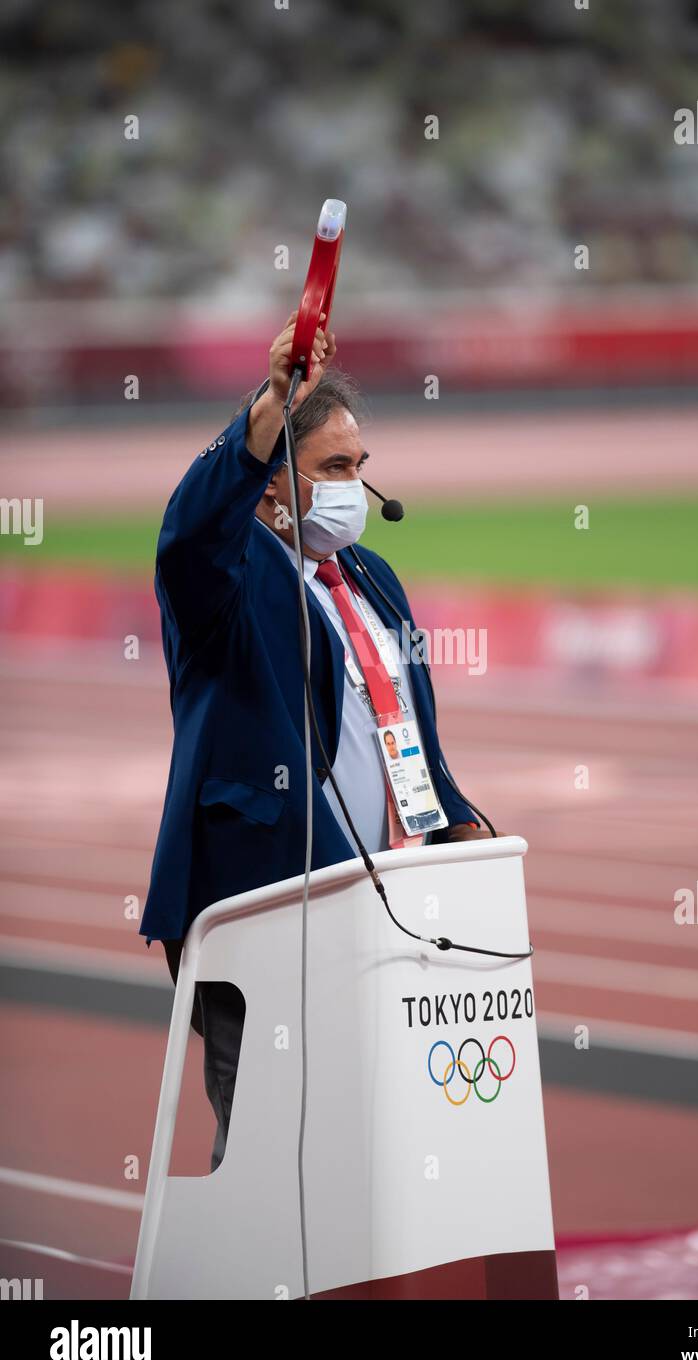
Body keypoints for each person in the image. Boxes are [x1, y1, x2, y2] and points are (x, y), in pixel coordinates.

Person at [140, 309, 492, 1170]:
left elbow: (403, 720)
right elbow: (191, 531)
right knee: (274, 1141)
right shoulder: (221, 579)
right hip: (263, 902)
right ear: (268, 481)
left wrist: (454, 818)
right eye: (333, 467)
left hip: (391, 898)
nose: (355, 487)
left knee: (377, 1135)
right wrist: (267, 407)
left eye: (360, 466)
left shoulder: (373, 576)